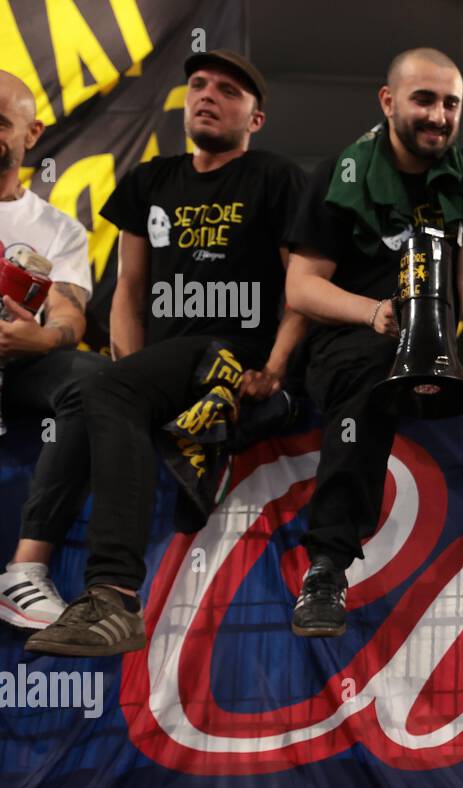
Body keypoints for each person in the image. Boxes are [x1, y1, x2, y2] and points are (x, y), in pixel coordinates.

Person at [25, 50, 308, 657]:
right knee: (109, 384)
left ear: (255, 119)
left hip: (239, 352)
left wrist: (277, 368)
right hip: (170, 360)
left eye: (229, 91)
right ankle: (201, 444)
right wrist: (127, 371)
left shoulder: (275, 177)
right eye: (199, 85)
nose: (207, 95)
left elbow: (300, 289)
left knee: (107, 388)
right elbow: (128, 289)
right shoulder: (149, 181)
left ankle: (114, 597)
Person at [284, 48, 463, 637]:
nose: (438, 115)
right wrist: (375, 312)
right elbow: (301, 288)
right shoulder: (340, 172)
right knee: (378, 366)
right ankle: (328, 565)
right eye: (424, 100)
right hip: (351, 342)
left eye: (451, 103)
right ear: (388, 102)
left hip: (440, 349)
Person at [0, 70, 102, 630]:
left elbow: (66, 312)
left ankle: (25, 571)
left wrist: (38, 336)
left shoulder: (57, 228)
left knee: (94, 377)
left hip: (19, 364)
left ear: (30, 133)